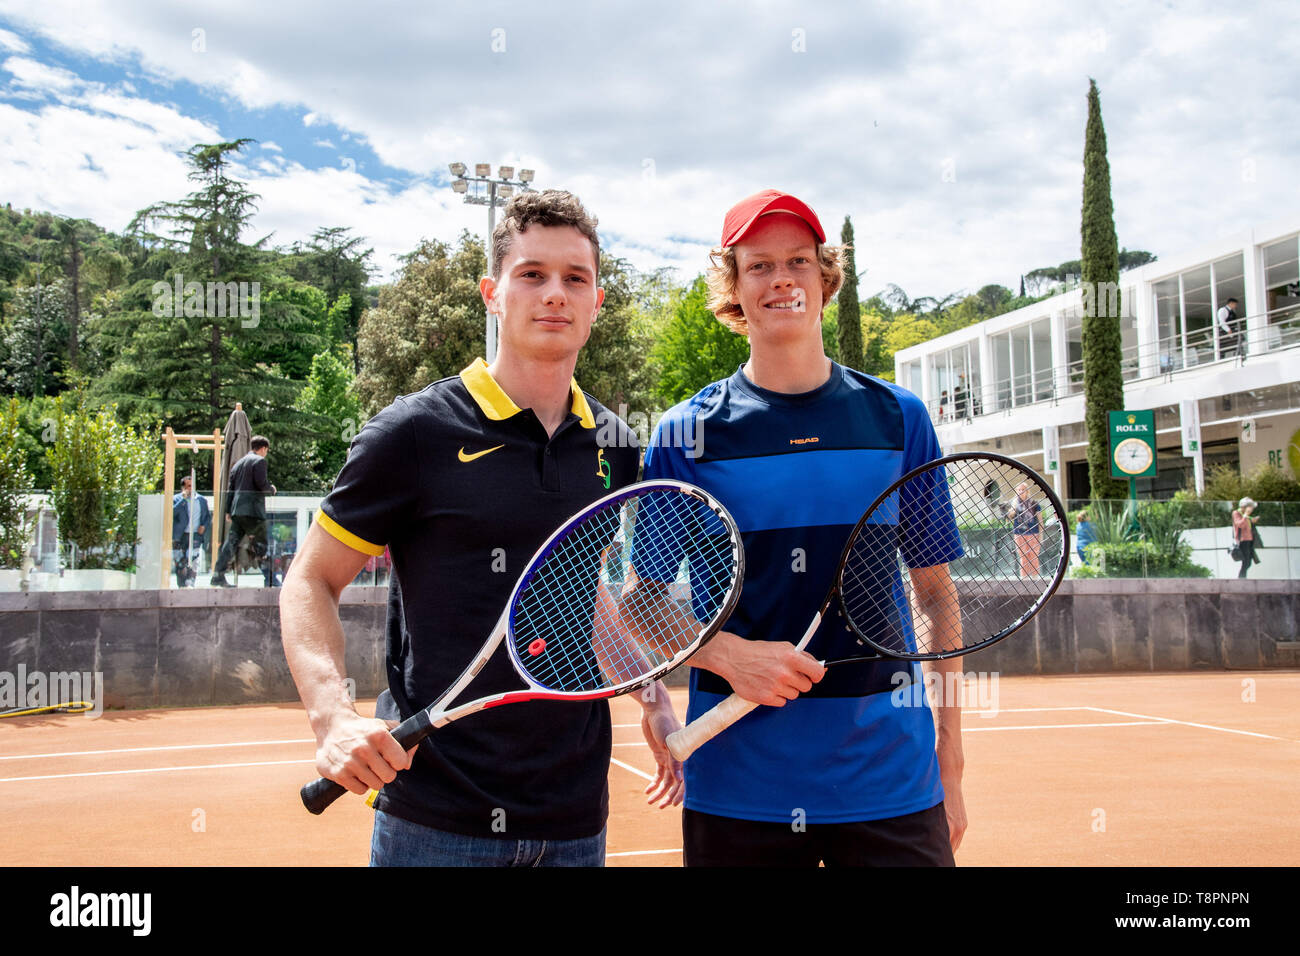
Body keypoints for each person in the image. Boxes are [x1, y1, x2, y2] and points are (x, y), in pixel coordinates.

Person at [279, 190, 680, 867]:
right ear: (493, 293)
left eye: (574, 278)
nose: (555, 293)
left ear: (596, 302)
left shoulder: (615, 445)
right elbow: (309, 580)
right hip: (435, 818)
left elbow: (585, 593)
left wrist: (651, 693)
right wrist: (332, 716)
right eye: (533, 274)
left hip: (573, 817)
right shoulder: (413, 433)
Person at [632, 189, 965, 866]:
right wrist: (726, 656)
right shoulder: (686, 433)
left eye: (799, 261)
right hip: (738, 788)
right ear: (733, 287)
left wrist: (951, 765)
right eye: (758, 265)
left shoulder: (901, 419)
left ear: (825, 278)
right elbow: (642, 600)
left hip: (892, 782)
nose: (781, 277)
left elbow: (936, 595)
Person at [210, 436, 275, 587]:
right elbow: (262, 484)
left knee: (230, 544)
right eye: (266, 450)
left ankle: (217, 575)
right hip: (252, 511)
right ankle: (269, 578)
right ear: (263, 448)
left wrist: (228, 510)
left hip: (237, 510)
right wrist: (272, 489)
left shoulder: (237, 464)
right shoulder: (259, 461)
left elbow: (230, 489)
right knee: (262, 543)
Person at [172, 475, 210, 587]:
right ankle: (181, 585)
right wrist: (183, 499)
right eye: (188, 486)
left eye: (193, 485)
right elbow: (173, 513)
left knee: (194, 561)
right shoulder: (177, 499)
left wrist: (204, 525)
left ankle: (191, 584)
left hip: (196, 535)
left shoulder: (201, 500)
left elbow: (207, 516)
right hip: (181, 535)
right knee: (180, 562)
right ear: (183, 487)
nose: (191, 488)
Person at [1012, 481, 1043, 576]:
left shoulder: (1034, 503)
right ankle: (1024, 578)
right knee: (1023, 556)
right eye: (1019, 490)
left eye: (1023, 490)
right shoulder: (1014, 503)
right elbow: (1010, 517)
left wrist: (1041, 535)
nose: (1021, 491)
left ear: (1027, 491)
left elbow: (1040, 520)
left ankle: (1035, 577)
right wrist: (1011, 509)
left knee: (1033, 555)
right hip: (1019, 533)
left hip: (1033, 532)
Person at [1232, 496, 1259, 578]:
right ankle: (1241, 579)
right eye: (1250, 507)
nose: (1251, 509)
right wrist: (1246, 515)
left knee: (1248, 561)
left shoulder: (1245, 516)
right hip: (1243, 540)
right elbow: (1240, 525)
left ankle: (1242, 578)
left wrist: (1252, 519)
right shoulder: (1236, 513)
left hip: (1249, 540)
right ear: (1244, 507)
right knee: (1246, 561)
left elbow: (1248, 524)